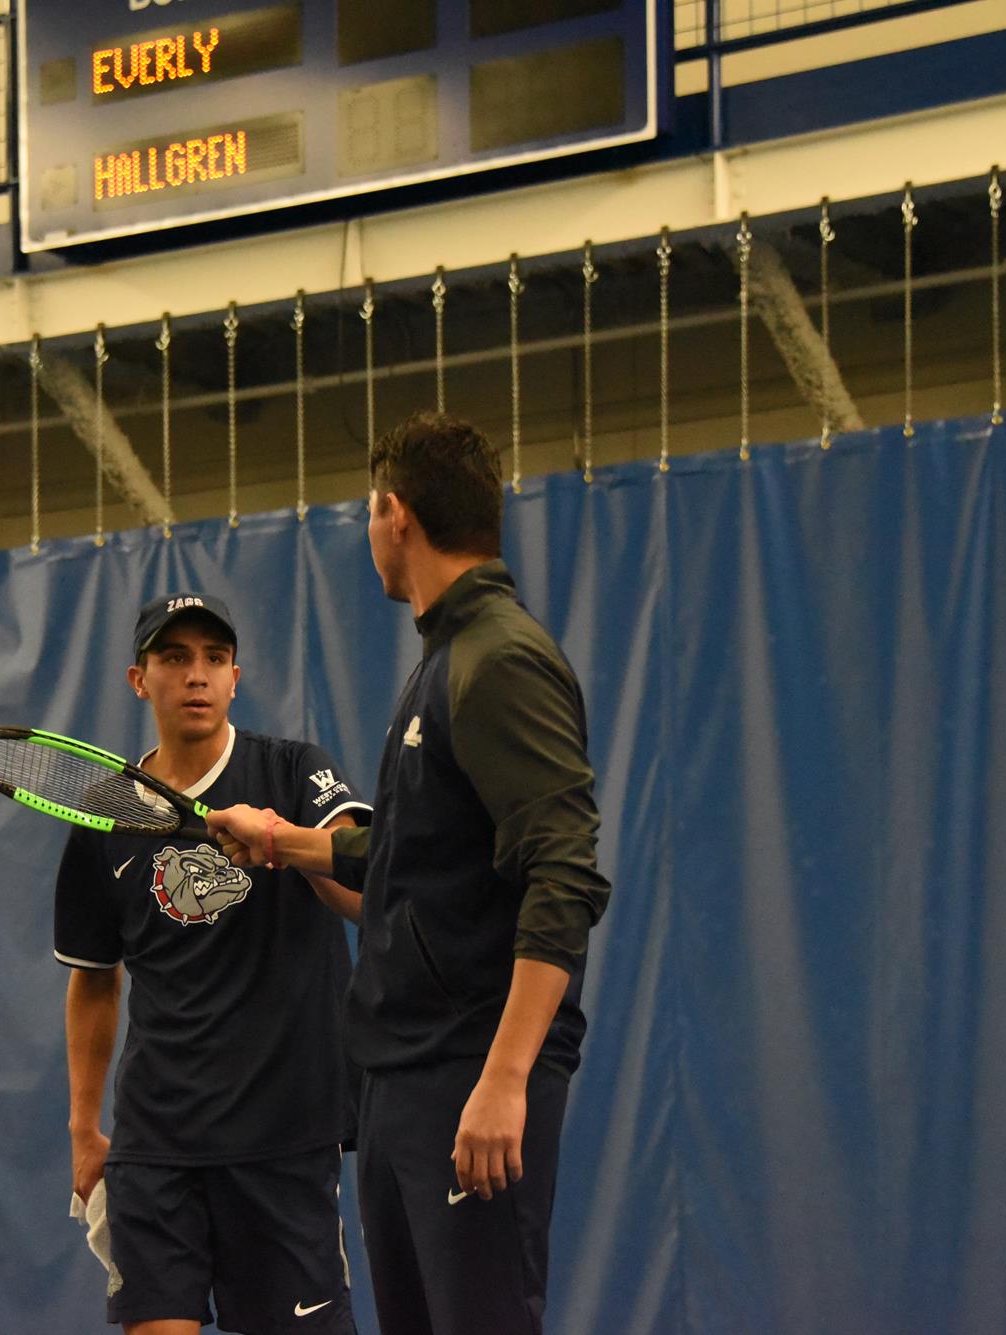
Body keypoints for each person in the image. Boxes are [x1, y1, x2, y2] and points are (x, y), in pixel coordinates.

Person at [207, 412, 612, 1335]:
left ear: (396, 515)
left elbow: (565, 876)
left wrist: (504, 1079)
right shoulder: (443, 664)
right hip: (400, 1081)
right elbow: (411, 856)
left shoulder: (499, 660)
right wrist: (281, 840)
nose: (366, 529)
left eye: (366, 510)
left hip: (467, 1079)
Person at [55, 592, 370, 1335]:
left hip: (283, 1140)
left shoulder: (292, 772)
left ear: (236, 678)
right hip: (155, 1146)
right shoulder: (104, 816)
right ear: (140, 679)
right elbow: (95, 979)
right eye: (174, 657)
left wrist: (281, 840)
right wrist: (82, 1126)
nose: (196, 675)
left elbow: (369, 889)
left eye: (213, 659)